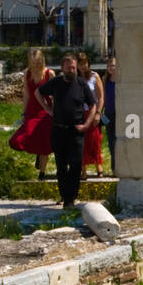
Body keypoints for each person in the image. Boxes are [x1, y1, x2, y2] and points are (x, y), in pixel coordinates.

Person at [35, 54, 97, 209]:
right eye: (69, 67)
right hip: (59, 130)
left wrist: (86, 124)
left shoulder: (82, 84)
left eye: (74, 67)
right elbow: (38, 93)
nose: (72, 70)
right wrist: (48, 110)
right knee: (61, 165)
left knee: (76, 165)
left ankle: (71, 198)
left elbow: (93, 105)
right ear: (63, 68)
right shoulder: (55, 83)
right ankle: (65, 195)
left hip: (76, 131)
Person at [8, 47, 54, 178]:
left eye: (38, 61)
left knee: (44, 142)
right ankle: (38, 156)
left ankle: (42, 172)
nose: (36, 65)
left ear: (42, 60)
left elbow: (55, 95)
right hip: (32, 110)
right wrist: (24, 114)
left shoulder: (49, 74)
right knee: (23, 137)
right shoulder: (27, 73)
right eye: (33, 62)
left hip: (45, 111)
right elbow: (27, 95)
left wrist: (54, 111)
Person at [77, 51, 104, 180]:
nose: (82, 66)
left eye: (84, 63)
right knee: (82, 142)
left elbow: (101, 97)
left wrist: (98, 113)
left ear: (88, 64)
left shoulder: (95, 76)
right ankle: (83, 170)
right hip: (79, 113)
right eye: (80, 64)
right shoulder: (74, 78)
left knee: (95, 140)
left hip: (92, 112)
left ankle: (99, 166)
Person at [102, 55, 117, 175]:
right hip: (108, 114)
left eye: (113, 65)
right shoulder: (104, 80)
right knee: (111, 141)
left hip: (120, 115)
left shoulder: (121, 80)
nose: (111, 68)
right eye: (109, 66)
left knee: (120, 141)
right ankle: (114, 168)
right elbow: (102, 98)